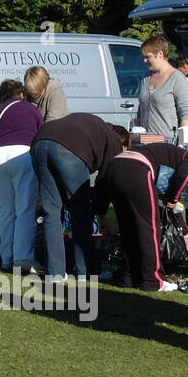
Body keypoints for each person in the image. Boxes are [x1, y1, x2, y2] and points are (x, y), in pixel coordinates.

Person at [99, 144, 188, 291]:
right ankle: (153, 281)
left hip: (114, 168)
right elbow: (182, 174)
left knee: (128, 229)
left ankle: (129, 277)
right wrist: (173, 200)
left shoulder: (176, 155)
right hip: (138, 169)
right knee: (150, 229)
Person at [30, 113, 130, 281]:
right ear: (124, 144)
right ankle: (86, 271)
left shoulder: (92, 127)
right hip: (67, 148)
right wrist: (100, 212)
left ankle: (55, 272)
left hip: (39, 142)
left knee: (51, 212)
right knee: (81, 213)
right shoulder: (113, 141)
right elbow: (104, 180)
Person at [0, 79, 45, 273]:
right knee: (25, 210)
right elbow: (40, 134)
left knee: (4, 211)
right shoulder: (31, 109)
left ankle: (6, 259)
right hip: (22, 153)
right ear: (21, 94)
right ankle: (22, 261)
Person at [134, 35, 188, 138]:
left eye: (148, 57)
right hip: (143, 142)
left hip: (166, 143)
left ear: (160, 54)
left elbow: (186, 113)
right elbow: (140, 110)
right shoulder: (146, 77)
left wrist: (183, 144)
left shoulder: (177, 78)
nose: (145, 60)